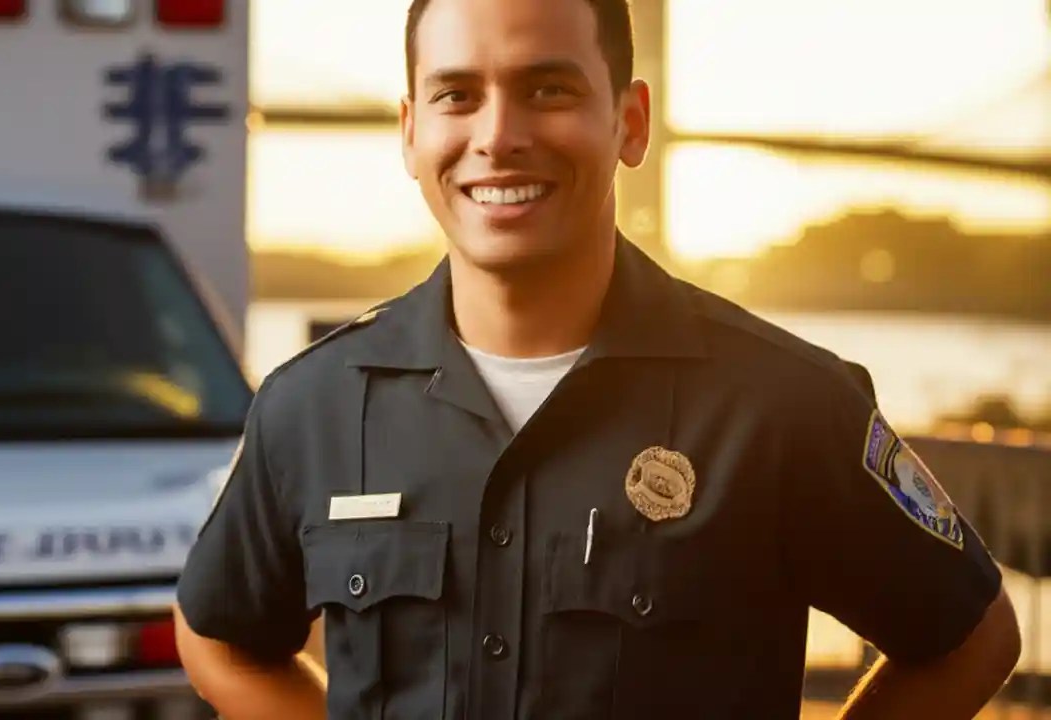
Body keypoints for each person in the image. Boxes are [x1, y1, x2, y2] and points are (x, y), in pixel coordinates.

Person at [173, 0, 1022, 717]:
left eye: (548, 89)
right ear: (409, 131)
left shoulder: (785, 403)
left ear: (630, 121)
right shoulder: (311, 404)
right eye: (457, 95)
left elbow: (971, 640)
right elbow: (217, 634)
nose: (497, 136)